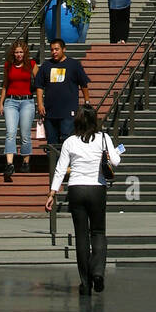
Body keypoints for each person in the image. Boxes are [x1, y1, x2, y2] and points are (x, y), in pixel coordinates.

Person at [44, 104, 121, 296]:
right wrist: (116, 152)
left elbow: (61, 169)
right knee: (98, 232)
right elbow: (115, 162)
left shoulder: (70, 141)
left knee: (81, 236)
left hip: (76, 189)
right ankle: (98, 273)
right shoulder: (104, 138)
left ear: (76, 121)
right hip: (97, 189)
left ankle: (85, 283)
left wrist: (52, 194)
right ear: (95, 120)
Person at [34, 40, 90, 153]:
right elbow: (39, 86)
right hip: (50, 112)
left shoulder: (74, 65)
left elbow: (83, 84)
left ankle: (67, 167)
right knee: (52, 142)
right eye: (52, 50)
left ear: (63, 49)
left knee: (67, 140)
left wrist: (87, 101)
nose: (54, 52)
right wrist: (40, 104)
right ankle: (54, 168)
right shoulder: (46, 65)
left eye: (56, 49)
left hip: (68, 111)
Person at [0, 39, 38, 182]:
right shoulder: (8, 65)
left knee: (25, 133)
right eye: (16, 52)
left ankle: (26, 161)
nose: (19, 54)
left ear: (25, 53)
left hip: (27, 101)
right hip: (11, 101)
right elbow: (5, 84)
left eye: (21, 52)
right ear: (13, 53)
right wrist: (1, 102)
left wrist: (40, 103)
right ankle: (9, 163)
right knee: (10, 132)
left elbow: (38, 83)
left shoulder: (31, 64)